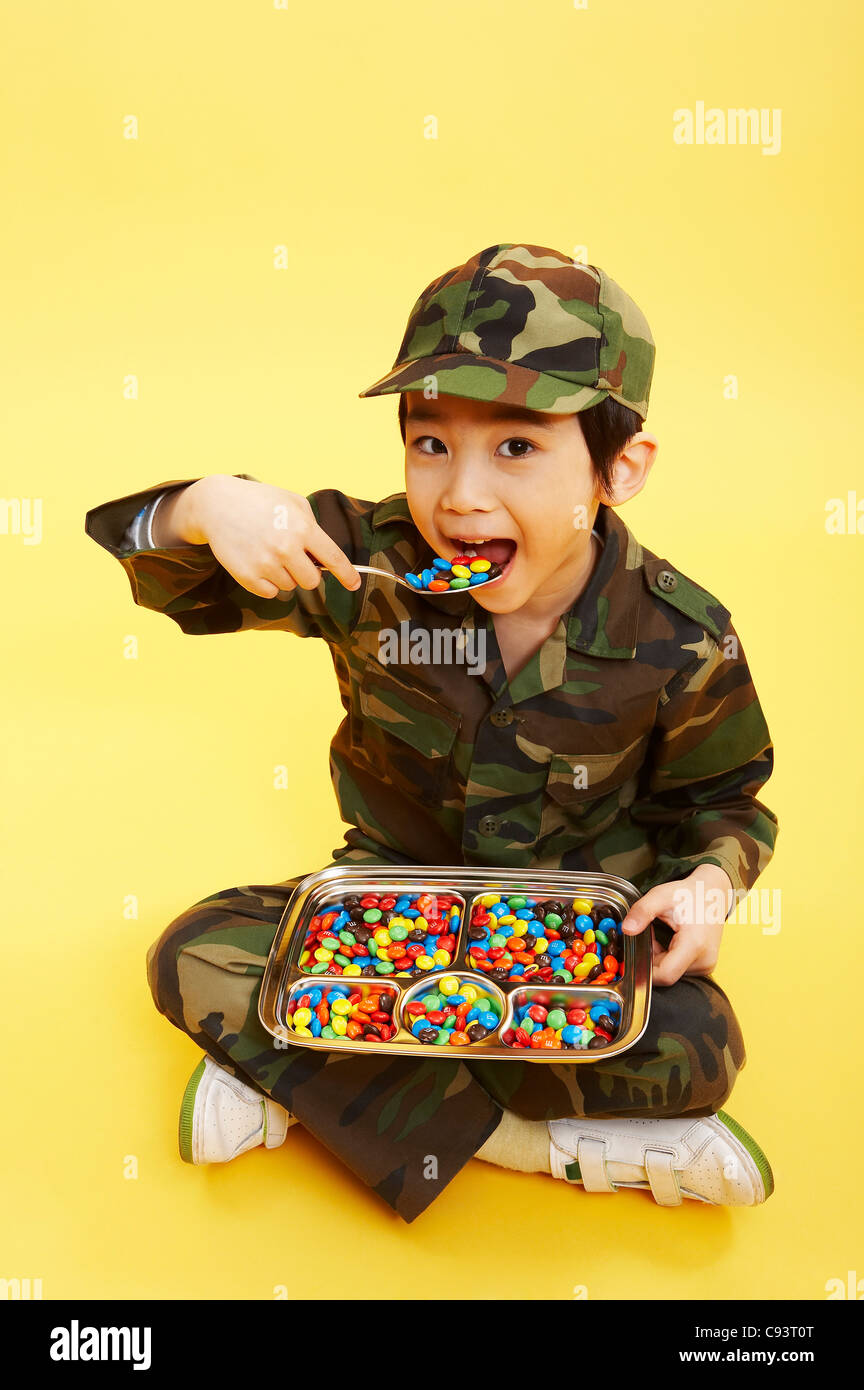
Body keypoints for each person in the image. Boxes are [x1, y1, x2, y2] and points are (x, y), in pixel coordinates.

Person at [84, 242, 779, 1221]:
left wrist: (709, 885)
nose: (460, 497)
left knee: (699, 1046)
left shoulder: (683, 633)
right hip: (379, 924)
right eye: (430, 443)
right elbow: (184, 583)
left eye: (518, 448)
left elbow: (727, 801)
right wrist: (201, 507)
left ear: (620, 468)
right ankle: (534, 1145)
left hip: (568, 940)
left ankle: (309, 1087)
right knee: (193, 948)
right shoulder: (362, 561)